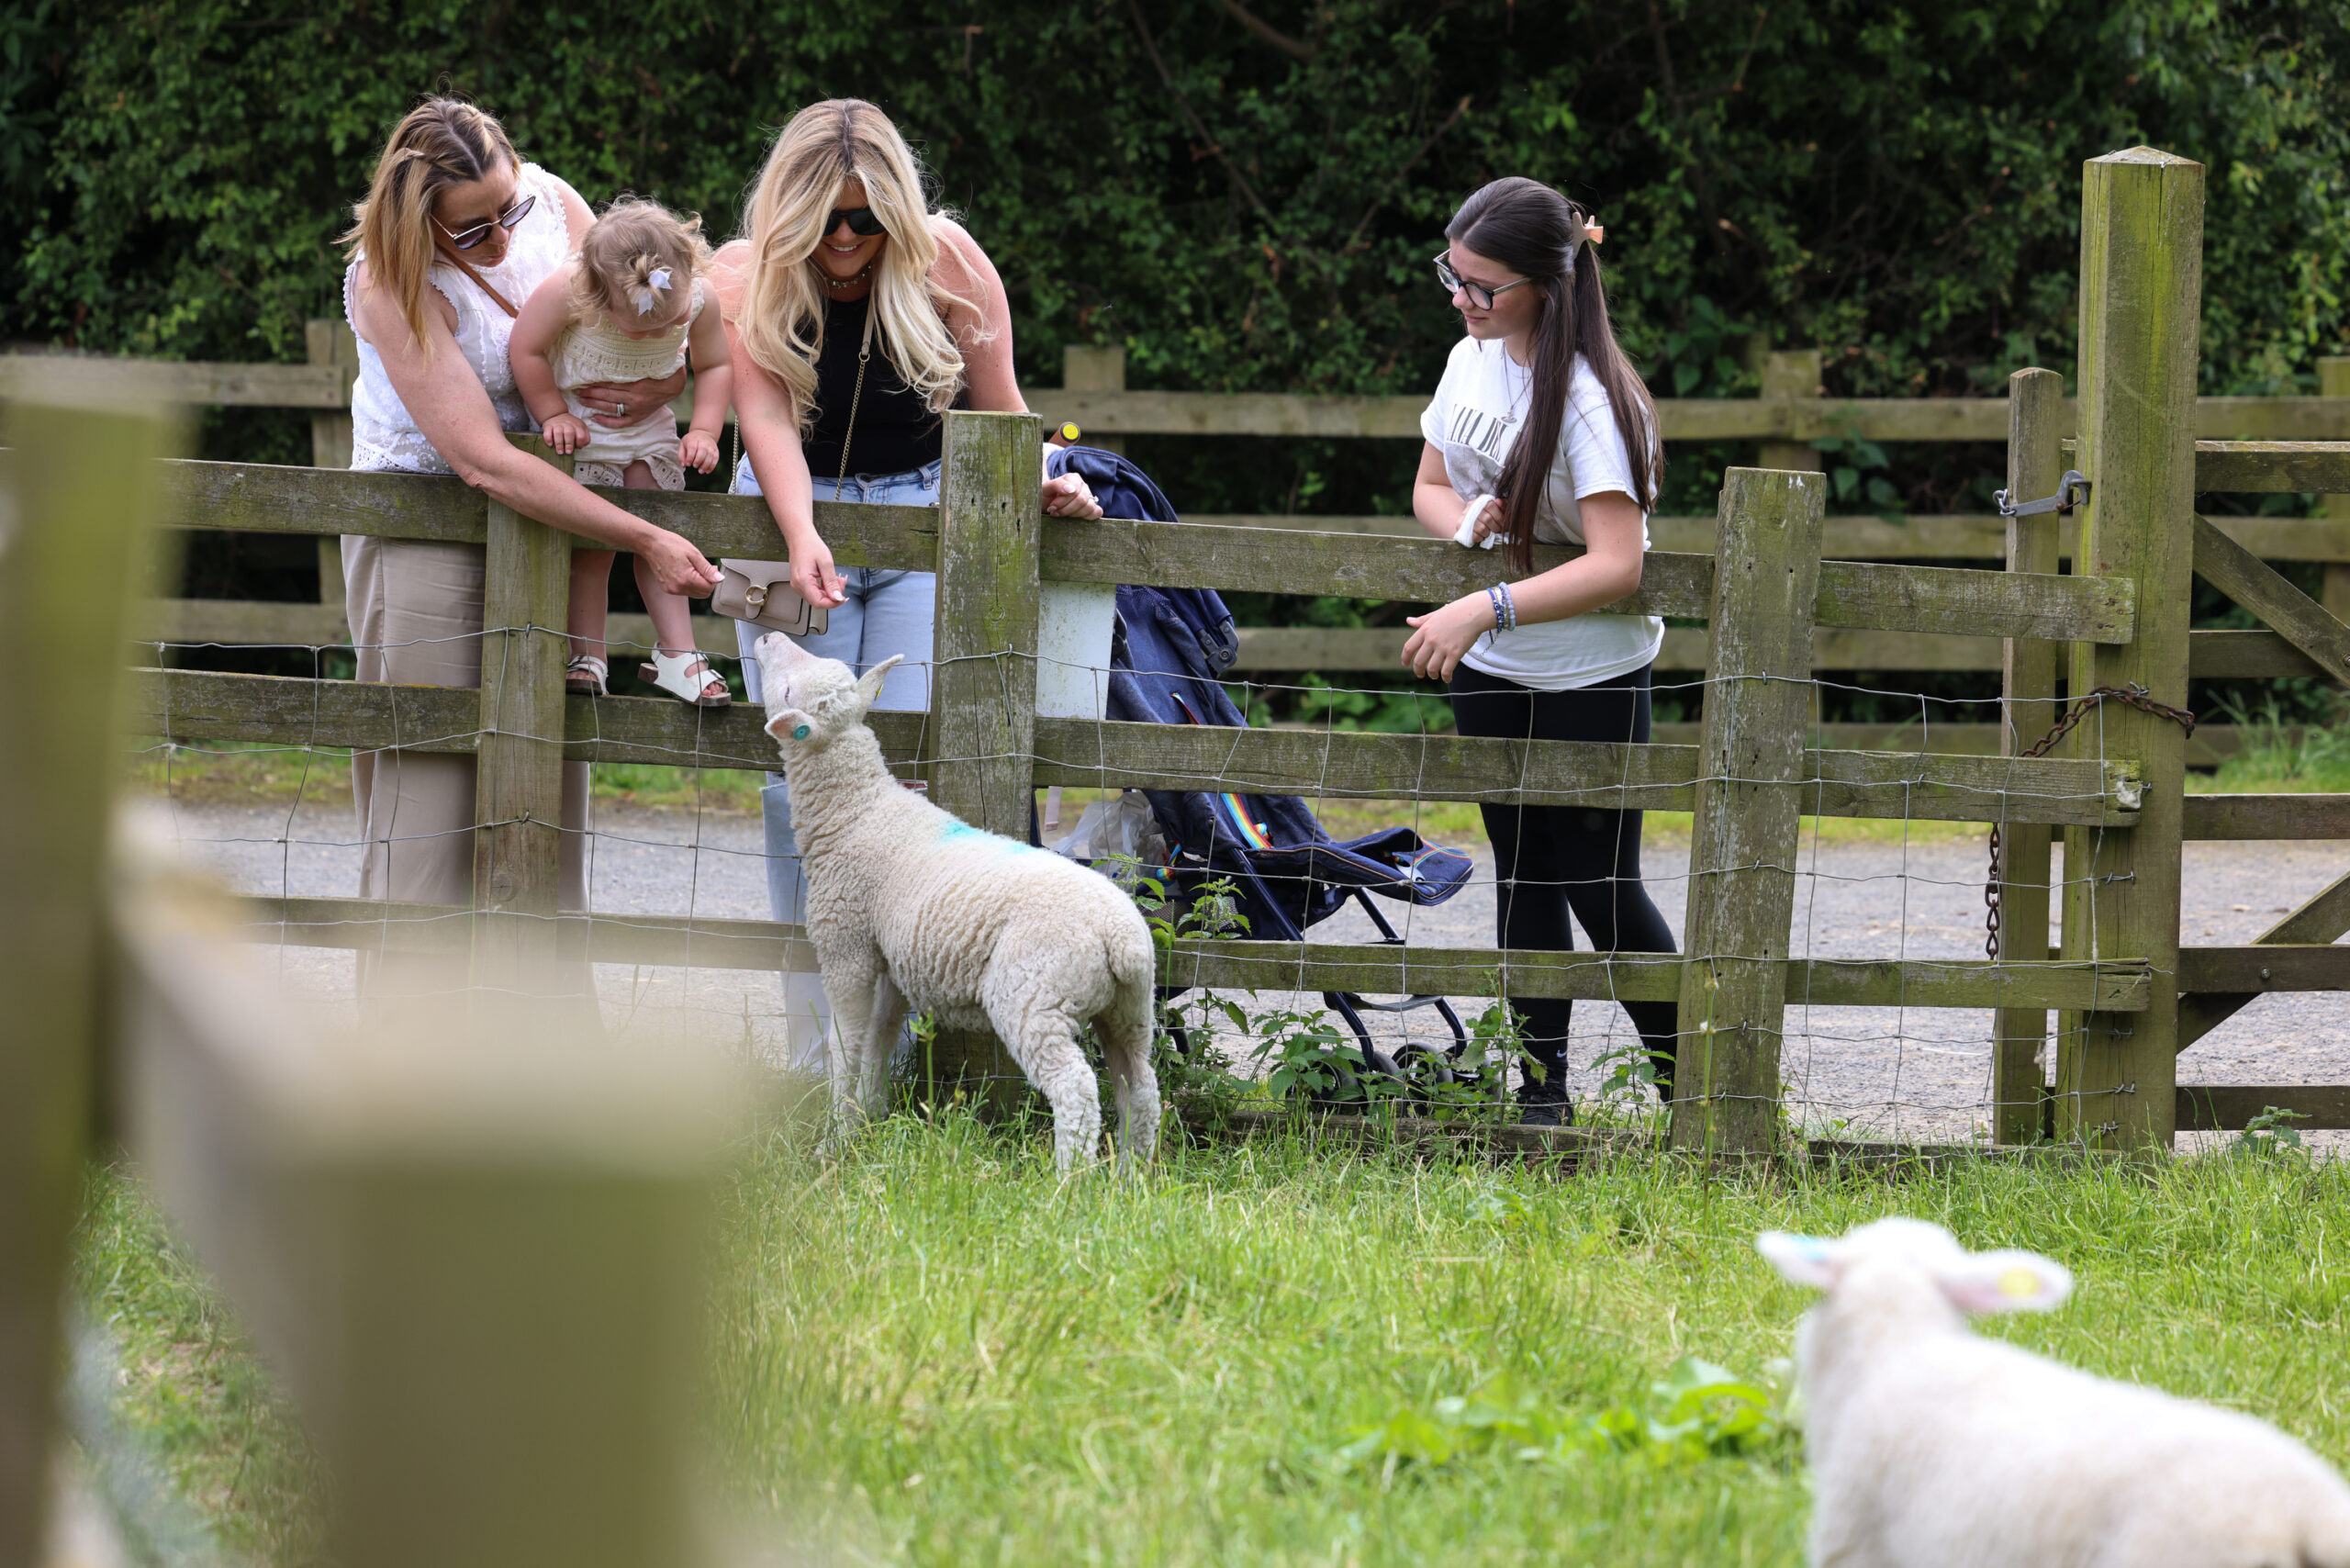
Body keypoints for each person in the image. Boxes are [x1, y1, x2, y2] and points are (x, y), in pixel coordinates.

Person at [711, 97, 1102, 1070]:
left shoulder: (950, 263)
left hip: (928, 521)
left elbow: (1004, 413)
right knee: (800, 779)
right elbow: (763, 421)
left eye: (865, 220)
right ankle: (822, 1059)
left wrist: (1050, 477)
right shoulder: (744, 275)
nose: (846, 240)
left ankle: (918, 1046)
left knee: (918, 777)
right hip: (785, 516)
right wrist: (802, 533)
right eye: (825, 221)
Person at [340, 96, 722, 922]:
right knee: (427, 807)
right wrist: (646, 536)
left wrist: (659, 389)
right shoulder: (388, 283)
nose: (504, 239)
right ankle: (410, 1002)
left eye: (507, 209)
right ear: (417, 224)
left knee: (546, 788)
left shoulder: (552, 203)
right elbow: (480, 458)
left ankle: (545, 1002)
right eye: (472, 229)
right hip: (428, 529)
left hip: (554, 515)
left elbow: (646, 328)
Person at [1397, 176, 1679, 1126]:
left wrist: (1484, 608)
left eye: (1482, 285)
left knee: (1602, 888)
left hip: (1590, 674)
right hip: (1494, 672)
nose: (1461, 299)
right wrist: (1467, 517)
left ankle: (1696, 1090)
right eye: (1452, 275)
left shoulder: (1596, 401)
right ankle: (1540, 1096)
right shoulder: (1467, 359)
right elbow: (1428, 485)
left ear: (1547, 285)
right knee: (1520, 872)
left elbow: (1618, 564)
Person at [510, 197, 734, 707]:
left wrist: (704, 430)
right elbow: (525, 347)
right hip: (582, 431)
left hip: (649, 430)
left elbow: (715, 365)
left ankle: (679, 654)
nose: (660, 334)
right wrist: (552, 414)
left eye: (670, 323)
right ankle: (587, 655)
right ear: (598, 296)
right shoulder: (571, 290)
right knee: (593, 549)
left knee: (661, 535)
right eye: (644, 329)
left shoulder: (700, 297)